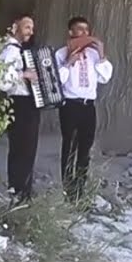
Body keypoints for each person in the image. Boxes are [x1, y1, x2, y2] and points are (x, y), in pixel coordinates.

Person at [54, 16, 114, 205]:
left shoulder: (94, 54)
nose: (84, 34)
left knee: (85, 149)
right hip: (70, 105)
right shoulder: (61, 53)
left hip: (89, 106)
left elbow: (105, 77)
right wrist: (69, 62)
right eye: (79, 29)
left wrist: (102, 53)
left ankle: (80, 191)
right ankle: (68, 191)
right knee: (69, 147)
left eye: (86, 30)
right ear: (71, 33)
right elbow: (57, 80)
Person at [0, 13, 40, 208]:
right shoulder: (10, 51)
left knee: (26, 150)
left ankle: (22, 193)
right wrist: (24, 75)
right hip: (19, 103)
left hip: (27, 104)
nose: (31, 31)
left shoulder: (19, 50)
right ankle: (19, 194)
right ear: (15, 27)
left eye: (32, 27)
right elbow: (1, 81)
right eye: (27, 27)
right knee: (22, 150)